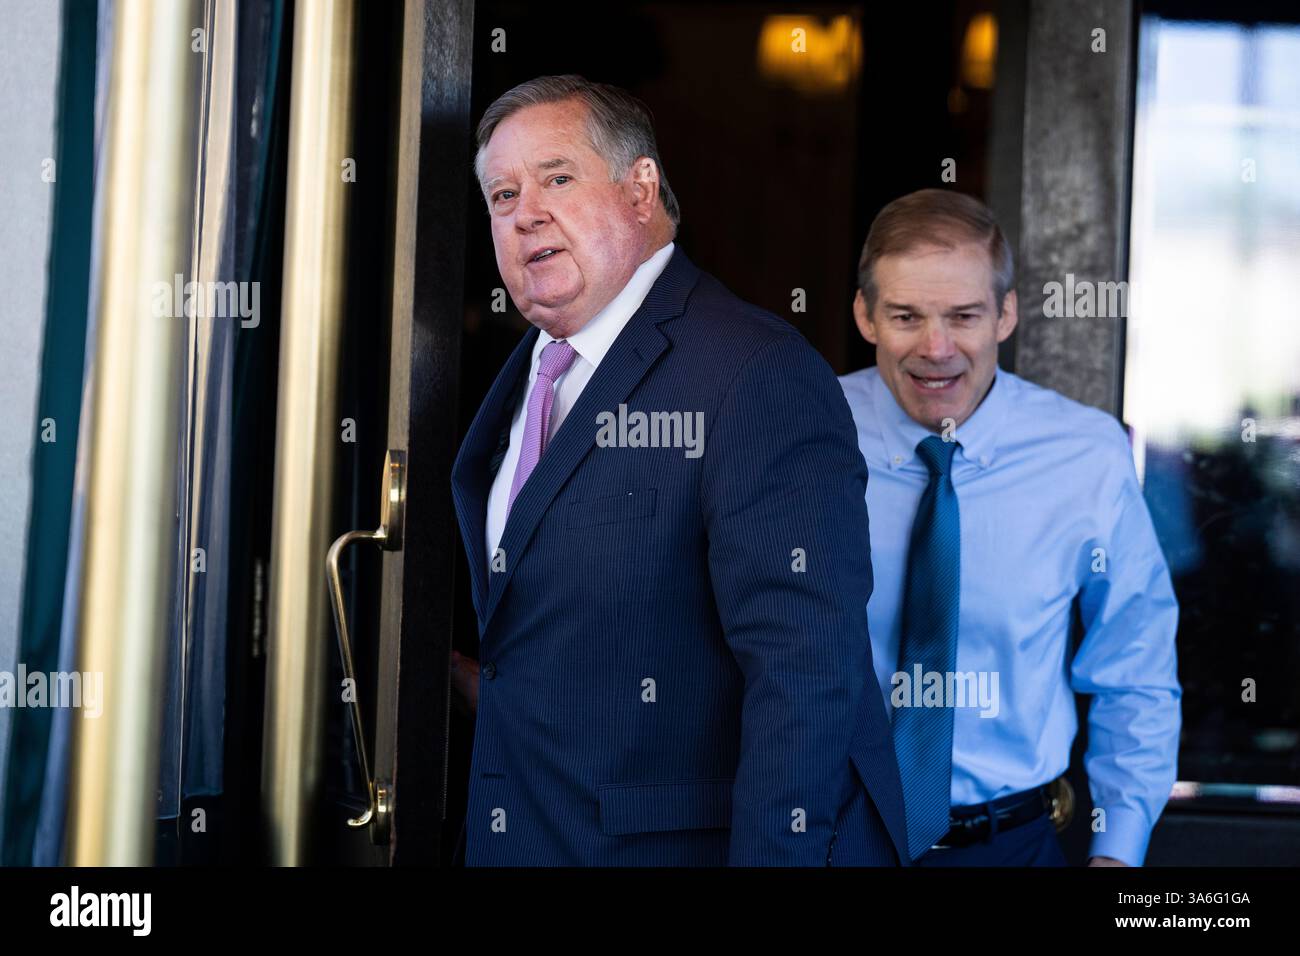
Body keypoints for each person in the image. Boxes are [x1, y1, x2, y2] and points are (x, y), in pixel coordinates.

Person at [449, 75, 906, 866]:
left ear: (640, 189)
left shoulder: (754, 372)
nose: (525, 212)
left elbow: (805, 679)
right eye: (502, 194)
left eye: (557, 177)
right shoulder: (524, 373)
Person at [839, 189, 1181, 867]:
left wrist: (1117, 851)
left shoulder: (1086, 453)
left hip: (1013, 847)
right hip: (832, 836)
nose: (936, 349)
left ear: (1006, 314)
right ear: (865, 315)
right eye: (906, 316)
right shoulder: (802, 434)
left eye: (964, 316)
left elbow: (1133, 667)